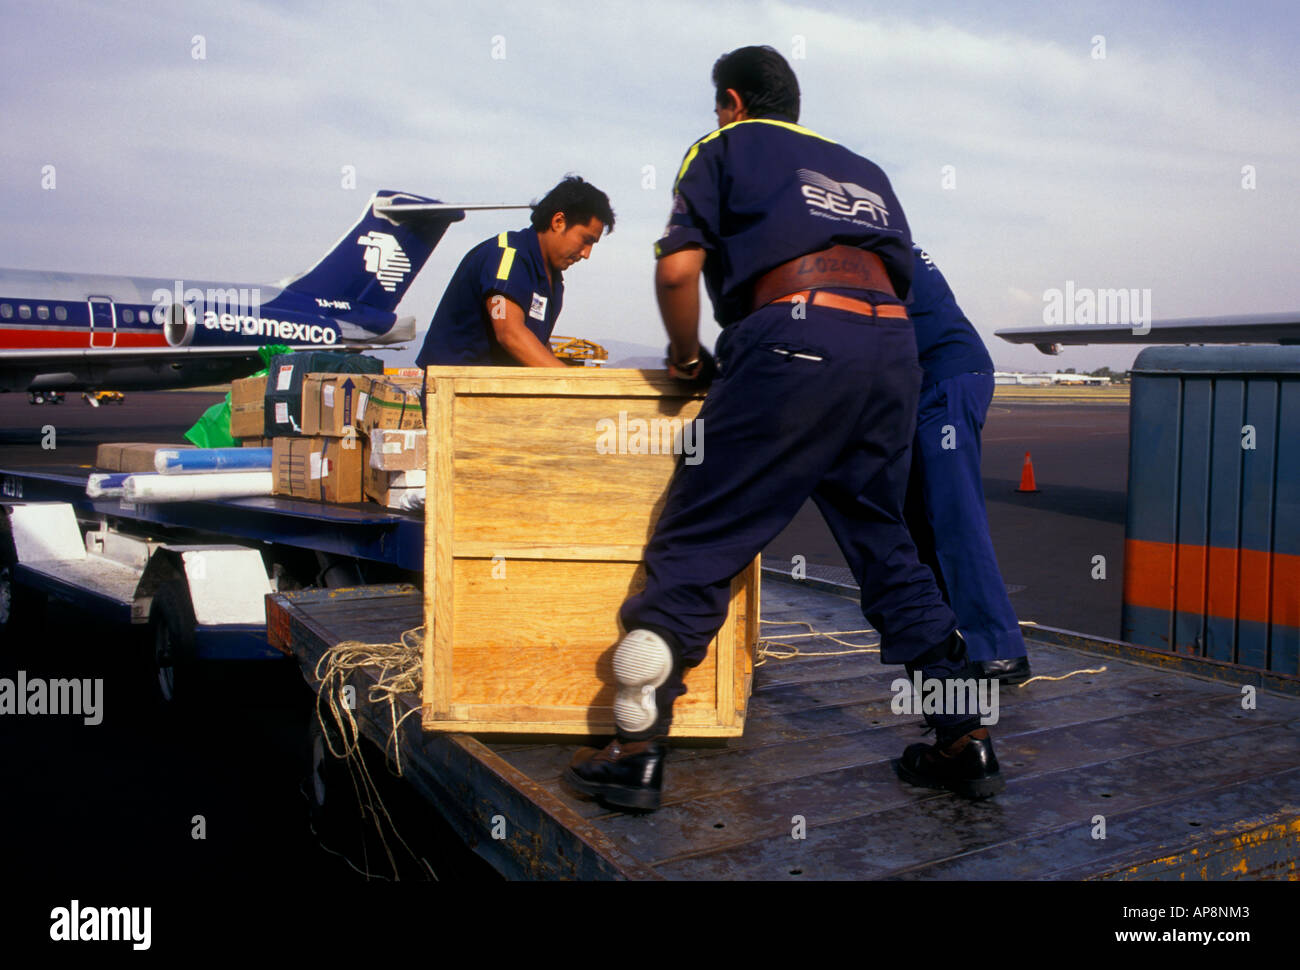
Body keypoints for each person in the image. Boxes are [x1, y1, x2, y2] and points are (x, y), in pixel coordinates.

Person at [564, 46, 1004, 813]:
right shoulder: (862, 167)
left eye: (717, 106)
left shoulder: (726, 146)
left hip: (796, 337)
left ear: (731, 101)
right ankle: (965, 736)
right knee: (886, 545)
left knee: (704, 531)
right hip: (891, 353)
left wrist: (686, 354)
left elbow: (677, 270)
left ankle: (636, 750)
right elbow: (897, 280)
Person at [903, 245, 1031, 684]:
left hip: (946, 382)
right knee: (917, 517)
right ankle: (948, 639)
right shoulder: (874, 233)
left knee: (954, 516)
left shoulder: (867, 246)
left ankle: (999, 649)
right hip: (924, 386)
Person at [415, 175, 613, 370]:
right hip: (455, 389)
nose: (586, 254)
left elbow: (535, 343)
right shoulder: (506, 258)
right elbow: (509, 333)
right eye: (585, 240)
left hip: (496, 389)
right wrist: (572, 384)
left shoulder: (552, 281)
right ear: (558, 221)